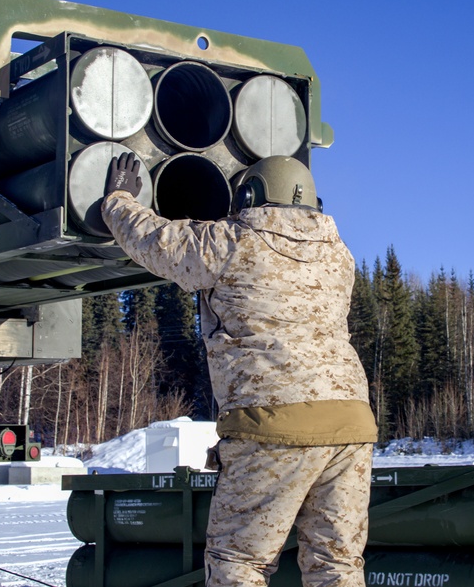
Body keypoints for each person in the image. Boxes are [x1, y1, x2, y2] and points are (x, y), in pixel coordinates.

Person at [102, 152, 378, 587]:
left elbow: (159, 243)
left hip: (273, 420)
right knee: (336, 566)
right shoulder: (340, 255)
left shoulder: (233, 241)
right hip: (351, 423)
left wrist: (119, 200)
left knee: (239, 562)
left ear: (251, 195)